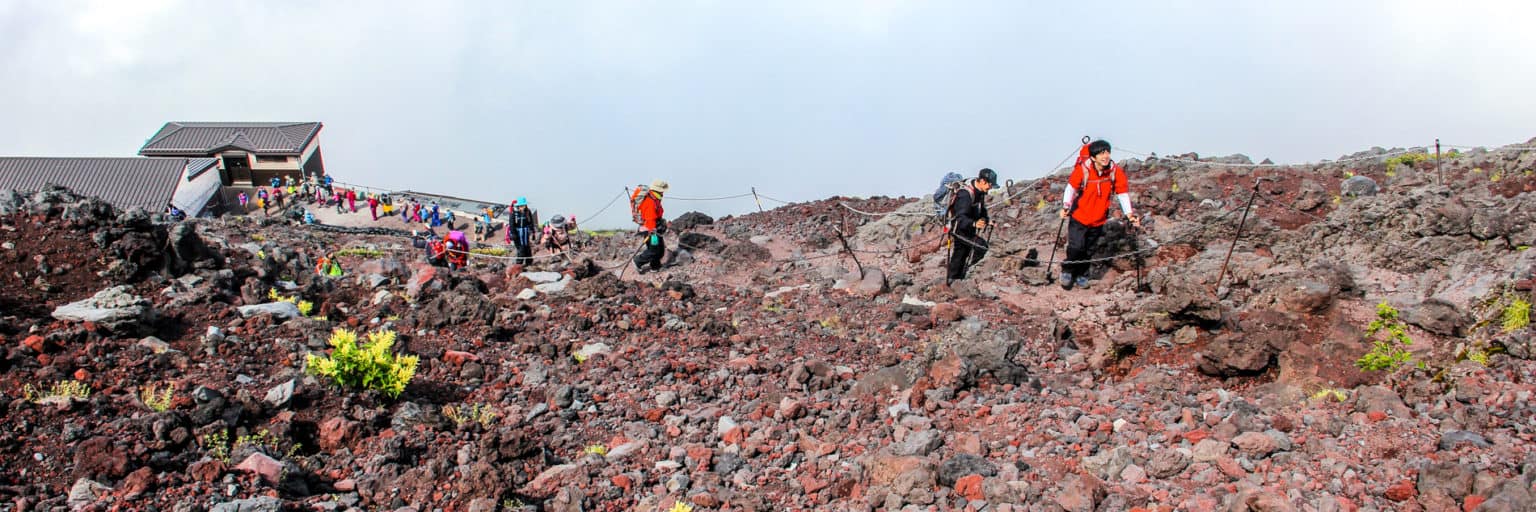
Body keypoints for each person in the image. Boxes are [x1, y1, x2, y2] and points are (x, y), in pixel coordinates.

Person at [1059, 139, 1141, 290]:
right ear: (1093, 157)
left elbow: (1122, 193)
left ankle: (1082, 274)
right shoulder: (1083, 170)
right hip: (1079, 216)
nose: (1105, 156)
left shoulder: (1115, 172)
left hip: (1098, 219)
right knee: (1076, 247)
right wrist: (1066, 206)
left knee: (1089, 249)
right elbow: (1071, 188)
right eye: (1101, 153)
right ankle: (1068, 271)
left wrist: (1129, 214)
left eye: (1107, 152)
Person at [947, 168, 997, 281]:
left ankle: (955, 278)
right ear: (983, 181)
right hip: (959, 229)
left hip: (968, 228)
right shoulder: (965, 195)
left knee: (962, 252)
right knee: (979, 247)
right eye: (990, 184)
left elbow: (981, 209)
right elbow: (960, 218)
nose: (990, 188)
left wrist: (986, 219)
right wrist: (974, 223)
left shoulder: (980, 192)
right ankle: (960, 276)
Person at [633, 180, 669, 274]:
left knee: (659, 249)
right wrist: (653, 231)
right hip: (650, 229)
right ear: (657, 190)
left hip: (653, 227)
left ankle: (655, 266)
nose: (663, 192)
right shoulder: (650, 201)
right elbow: (650, 218)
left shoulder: (654, 198)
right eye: (662, 191)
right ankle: (638, 261)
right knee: (654, 250)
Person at [506, 197, 539, 266]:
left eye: (524, 205)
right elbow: (511, 224)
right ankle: (518, 265)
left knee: (527, 248)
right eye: (521, 206)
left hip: (525, 233)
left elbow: (530, 222)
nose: (523, 207)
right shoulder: (513, 213)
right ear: (518, 206)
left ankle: (529, 264)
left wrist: (533, 232)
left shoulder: (527, 212)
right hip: (517, 234)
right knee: (521, 249)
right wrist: (514, 234)